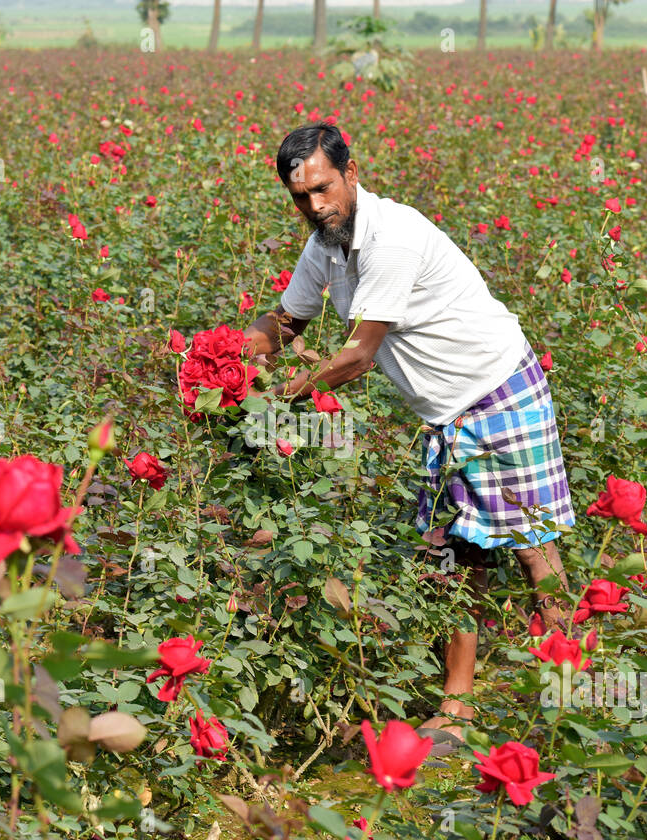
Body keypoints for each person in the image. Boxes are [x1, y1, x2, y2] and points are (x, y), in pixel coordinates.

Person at [242, 122, 575, 753]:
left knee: (534, 546)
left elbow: (358, 356)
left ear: (352, 172)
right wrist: (230, 357)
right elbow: (286, 320)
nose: (315, 206)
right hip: (447, 414)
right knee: (456, 560)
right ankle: (457, 709)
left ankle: (570, 681)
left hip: (497, 389)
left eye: (323, 188)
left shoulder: (392, 237)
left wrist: (275, 396)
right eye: (301, 197)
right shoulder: (326, 247)